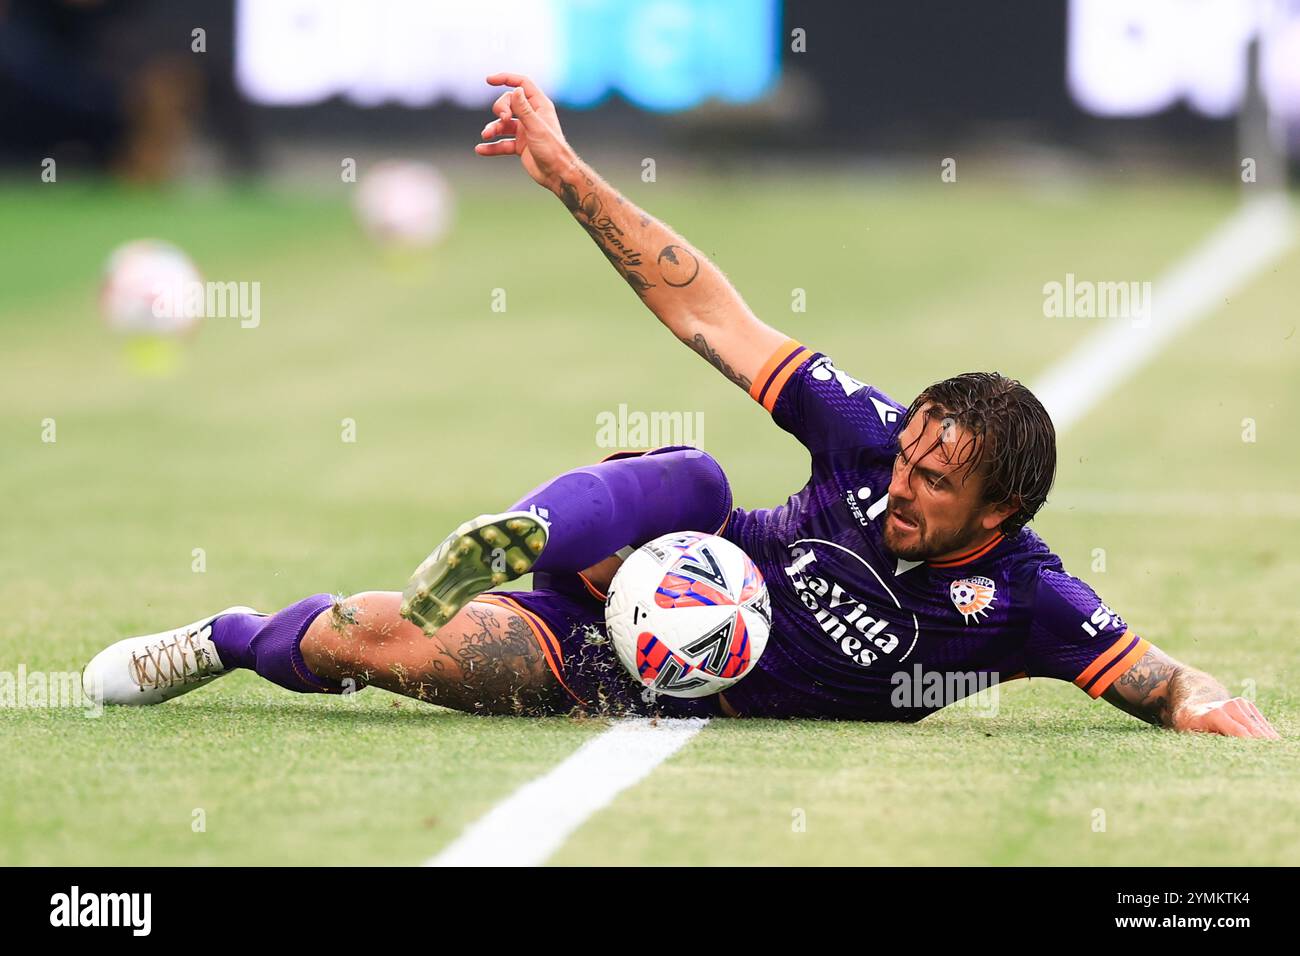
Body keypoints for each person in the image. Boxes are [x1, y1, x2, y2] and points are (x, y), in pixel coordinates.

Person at [82, 73, 1279, 739]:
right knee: (701, 478)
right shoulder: (862, 437)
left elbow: (1165, 682)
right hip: (648, 562)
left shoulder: (1025, 602)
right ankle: (536, 529)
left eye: (931, 480)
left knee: (369, 642)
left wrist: (1230, 718)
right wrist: (565, 172)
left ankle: (235, 635)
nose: (899, 483)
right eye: (904, 456)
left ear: (1000, 508)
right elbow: (707, 311)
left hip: (617, 669)